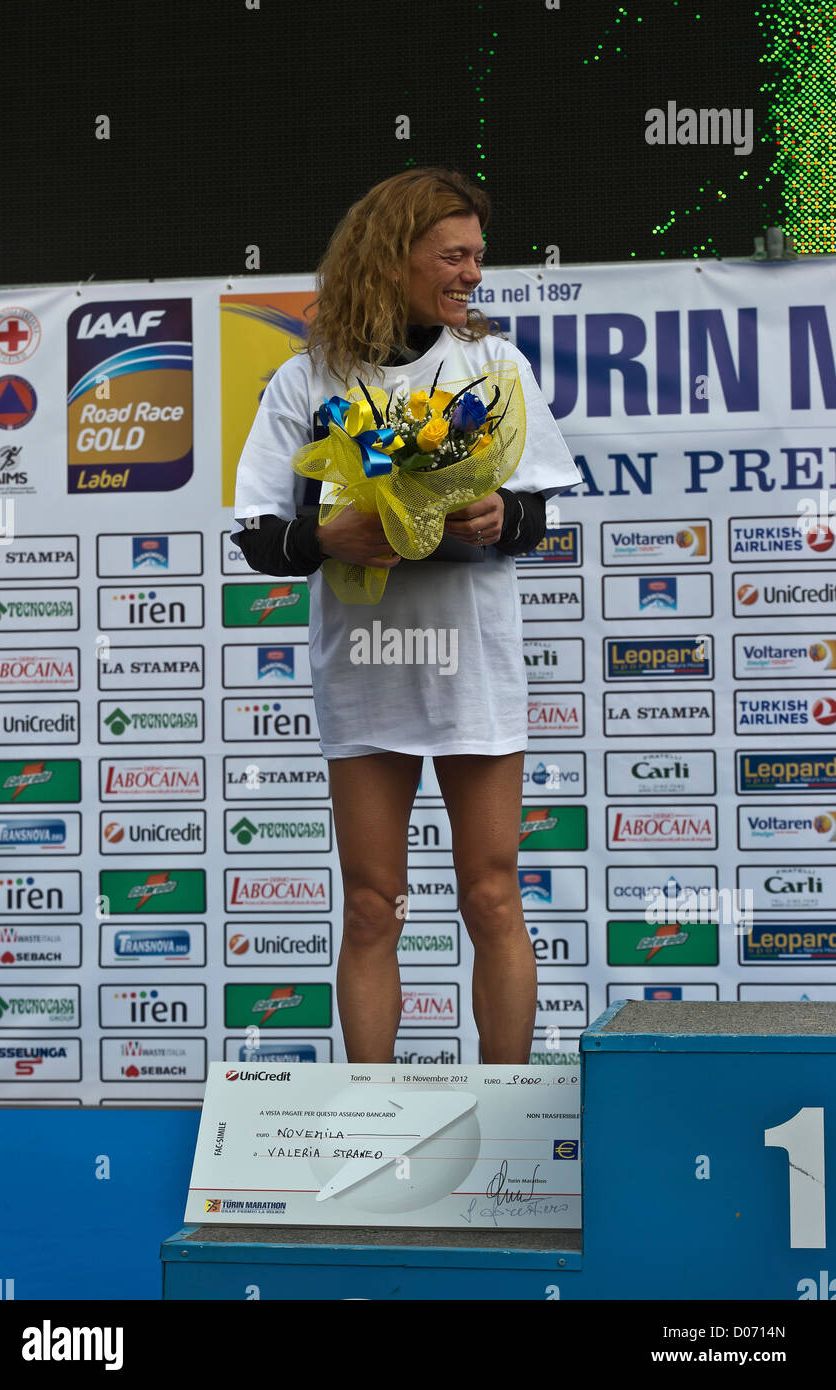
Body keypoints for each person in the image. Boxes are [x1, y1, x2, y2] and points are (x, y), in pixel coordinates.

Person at [232, 167, 583, 1064]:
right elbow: (260, 537)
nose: (473, 273)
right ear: (392, 259)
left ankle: (506, 1115)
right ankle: (371, 1115)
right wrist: (328, 536)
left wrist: (501, 516)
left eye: (478, 256)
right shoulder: (307, 377)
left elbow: (540, 508)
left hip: (472, 658)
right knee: (371, 902)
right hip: (368, 659)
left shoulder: (494, 364)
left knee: (494, 895)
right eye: (453, 255)